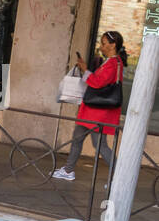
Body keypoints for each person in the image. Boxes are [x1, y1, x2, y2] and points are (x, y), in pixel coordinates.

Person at [52, 31, 128, 183]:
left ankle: (122, 178)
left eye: (104, 43)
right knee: (77, 139)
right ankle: (68, 170)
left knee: (100, 145)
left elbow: (98, 82)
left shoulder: (113, 63)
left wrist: (85, 70)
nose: (101, 47)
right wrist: (85, 70)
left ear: (113, 45)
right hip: (92, 113)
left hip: (98, 114)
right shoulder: (112, 62)